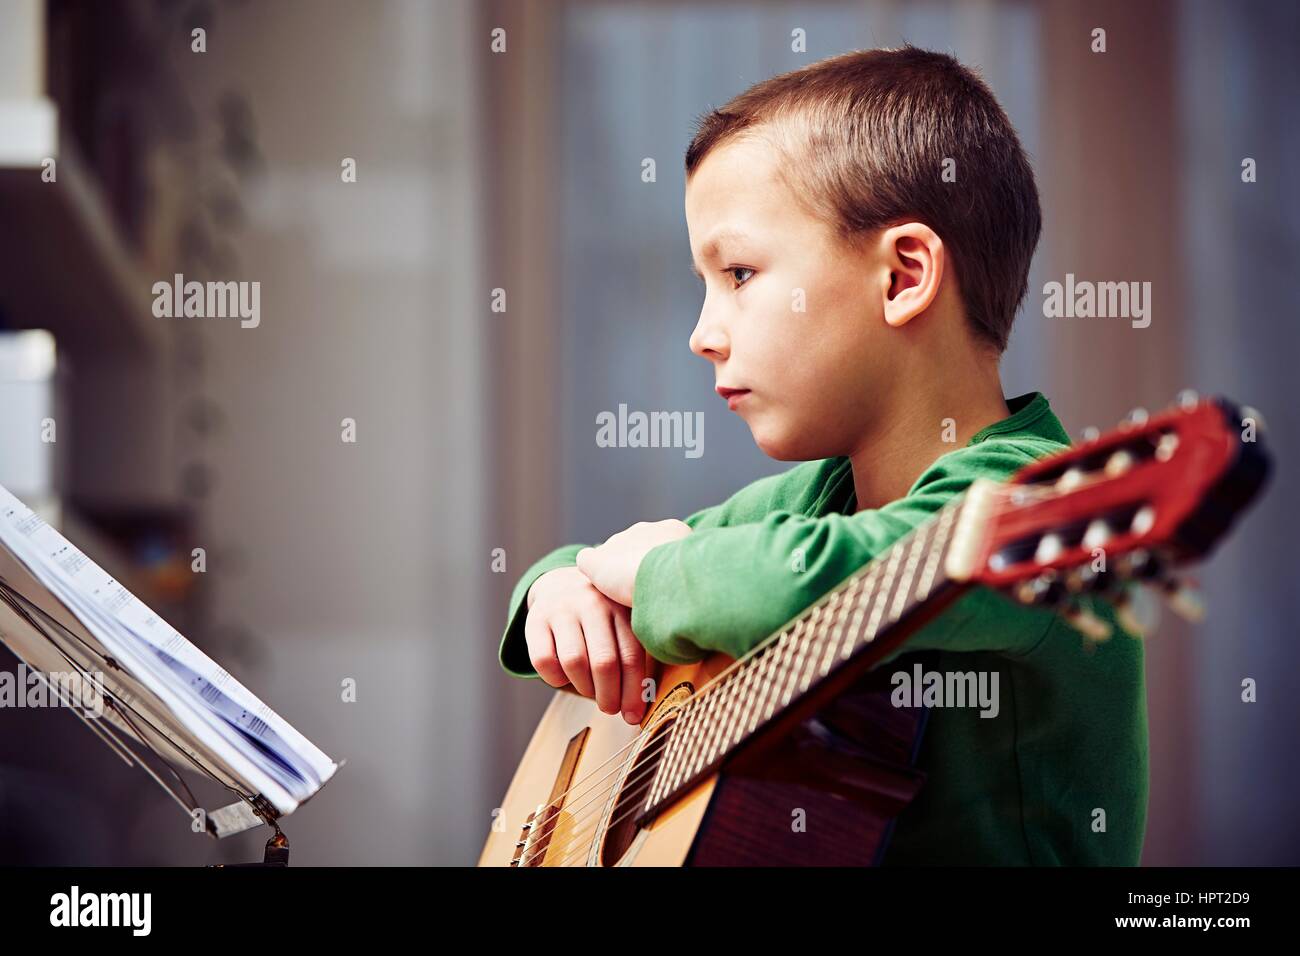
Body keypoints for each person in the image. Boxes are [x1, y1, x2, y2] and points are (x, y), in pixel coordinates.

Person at [497, 46, 1146, 865]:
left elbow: (846, 575)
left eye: (738, 273)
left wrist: (661, 574)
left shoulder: (1042, 508)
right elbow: (595, 569)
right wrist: (556, 587)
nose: (701, 334)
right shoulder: (807, 504)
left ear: (904, 276)